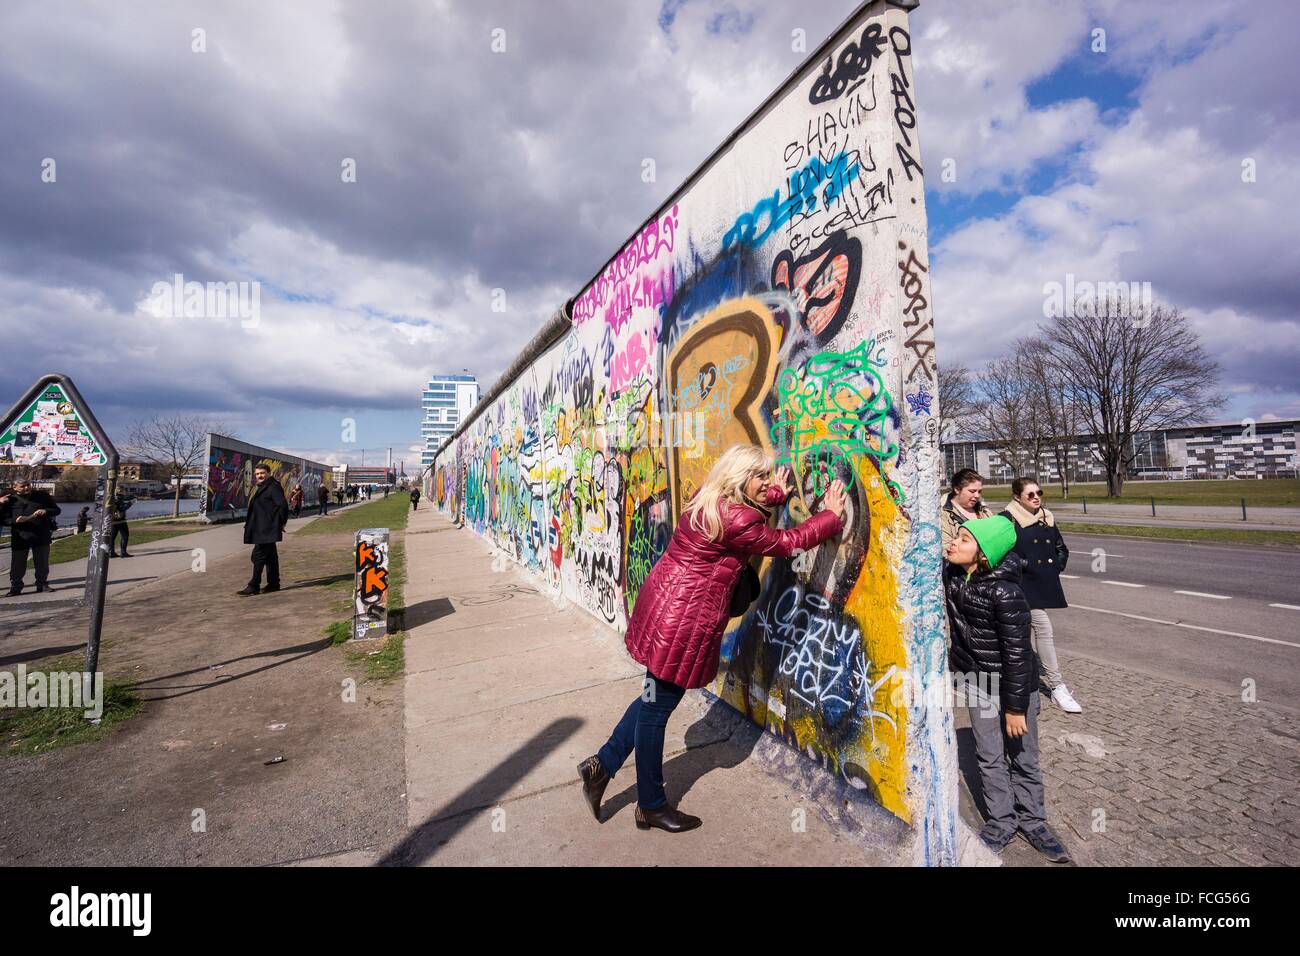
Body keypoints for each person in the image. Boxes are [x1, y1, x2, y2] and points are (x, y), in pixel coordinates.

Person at [577, 444, 847, 833]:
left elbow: (745, 505)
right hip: (685, 617)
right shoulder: (738, 520)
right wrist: (830, 517)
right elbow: (786, 544)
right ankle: (650, 804)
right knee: (657, 707)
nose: (769, 483)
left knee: (654, 695)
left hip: (666, 603)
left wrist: (775, 495)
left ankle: (602, 766)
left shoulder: (708, 497)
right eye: (762, 477)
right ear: (740, 479)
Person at [944, 515, 1070, 863]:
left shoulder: (1006, 592)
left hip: (1017, 687)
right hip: (979, 682)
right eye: (957, 536)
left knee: (1024, 756)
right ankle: (1001, 821)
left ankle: (1034, 821)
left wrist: (1015, 709)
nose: (954, 543)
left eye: (964, 540)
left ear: (984, 555)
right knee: (989, 755)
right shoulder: (956, 575)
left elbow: (1017, 657)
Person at [1002, 478, 1081, 713]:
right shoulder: (1007, 519)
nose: (1036, 497)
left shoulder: (1046, 517)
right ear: (1017, 497)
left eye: (1039, 492)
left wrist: (1056, 566)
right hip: (1020, 585)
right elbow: (1002, 553)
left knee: (1023, 634)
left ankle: (1025, 679)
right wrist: (1025, 565)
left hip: (1041, 584)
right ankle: (1056, 687)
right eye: (1030, 495)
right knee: (1042, 629)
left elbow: (1060, 547)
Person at [1, 480, 62, 595]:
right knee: (17, 563)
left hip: (41, 534)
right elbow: (3, 519)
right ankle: (16, 587)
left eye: (28, 485)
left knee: (42, 561)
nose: (26, 488)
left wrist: (45, 511)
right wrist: (14, 520)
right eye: (22, 486)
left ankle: (42, 584)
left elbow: (57, 510)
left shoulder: (42, 496)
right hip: (20, 535)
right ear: (15, 487)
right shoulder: (10, 500)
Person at [238, 464, 288, 596]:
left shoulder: (273, 486)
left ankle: (253, 585)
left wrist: (281, 523)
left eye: (262, 473)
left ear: (269, 473)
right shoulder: (264, 487)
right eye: (257, 474)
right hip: (263, 528)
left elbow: (283, 506)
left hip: (267, 528)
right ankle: (273, 584)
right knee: (271, 557)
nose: (259, 476)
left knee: (258, 556)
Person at [940, 468, 991, 552]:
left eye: (979, 491)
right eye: (972, 491)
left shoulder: (983, 510)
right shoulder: (944, 513)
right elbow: (947, 548)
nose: (977, 495)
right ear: (957, 489)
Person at [109, 493, 134, 557]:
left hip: (112, 522)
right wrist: (130, 504)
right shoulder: (118, 502)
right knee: (125, 536)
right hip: (120, 521)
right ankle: (123, 552)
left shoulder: (110, 501)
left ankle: (111, 552)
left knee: (112, 538)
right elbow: (122, 508)